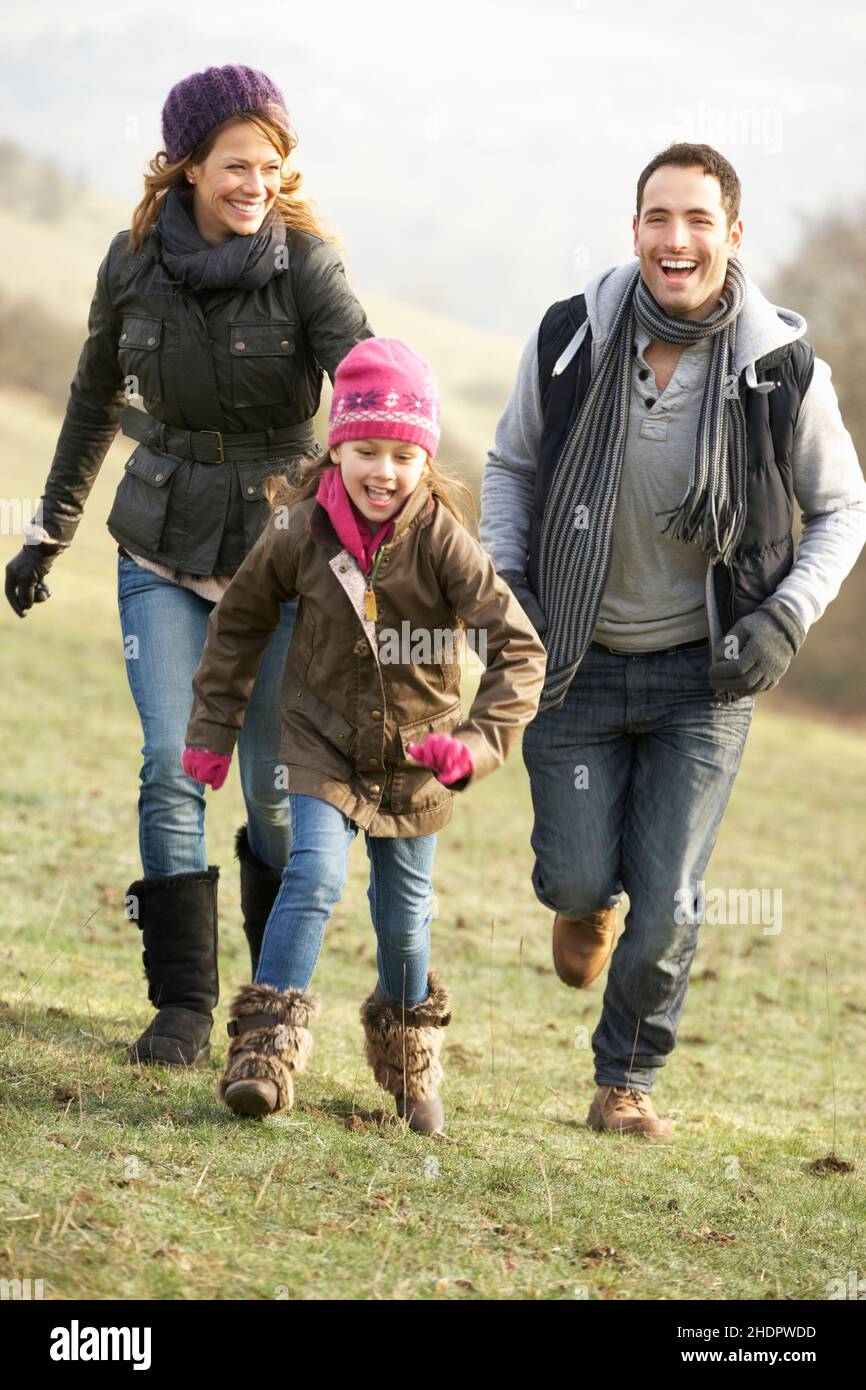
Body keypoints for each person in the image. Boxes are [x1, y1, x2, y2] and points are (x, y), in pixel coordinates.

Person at [481, 142, 866, 1139]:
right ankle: (580, 903)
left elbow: (842, 509)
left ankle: (624, 1081)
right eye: (659, 217)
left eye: (698, 220)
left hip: (703, 679)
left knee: (670, 901)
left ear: (731, 236)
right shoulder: (571, 337)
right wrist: (509, 585)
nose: (676, 238)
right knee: (574, 875)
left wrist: (784, 614)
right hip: (571, 662)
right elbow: (510, 466)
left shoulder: (781, 369)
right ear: (635, 229)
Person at [4, 64, 372, 1068]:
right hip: (159, 544)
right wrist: (50, 527)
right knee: (175, 764)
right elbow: (90, 401)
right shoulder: (131, 264)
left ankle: (267, 1001)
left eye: (270, 164)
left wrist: (388, 528)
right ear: (187, 165)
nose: (255, 181)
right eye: (234, 163)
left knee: (267, 789)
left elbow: (369, 387)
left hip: (280, 561)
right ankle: (181, 1004)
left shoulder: (308, 267)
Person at [181, 337, 547, 1133]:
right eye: (366, 450)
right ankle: (264, 1055)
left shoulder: (446, 541)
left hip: (420, 762)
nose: (384, 471)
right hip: (320, 742)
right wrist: (213, 729)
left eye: (403, 455)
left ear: (425, 462)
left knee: (404, 919)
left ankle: (412, 1066)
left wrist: (477, 747)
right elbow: (238, 624)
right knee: (313, 873)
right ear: (337, 447)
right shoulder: (297, 529)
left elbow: (520, 652)